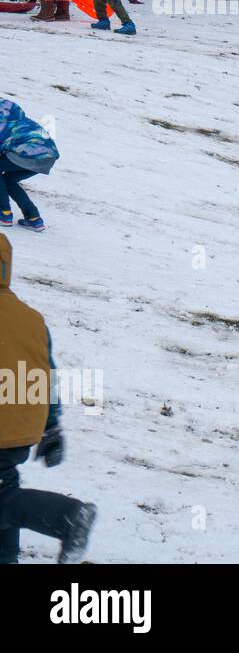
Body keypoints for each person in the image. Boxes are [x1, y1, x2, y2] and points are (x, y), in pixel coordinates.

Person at [0, 235, 98, 563]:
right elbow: (46, 373)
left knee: (4, 498)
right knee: (2, 487)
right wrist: (51, 427)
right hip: (20, 426)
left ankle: (67, 517)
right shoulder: (30, 318)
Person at [1, 99, 58, 233]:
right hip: (48, 158)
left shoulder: (3, 124)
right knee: (9, 181)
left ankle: (4, 213)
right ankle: (33, 218)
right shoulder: (19, 120)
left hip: (28, 154)